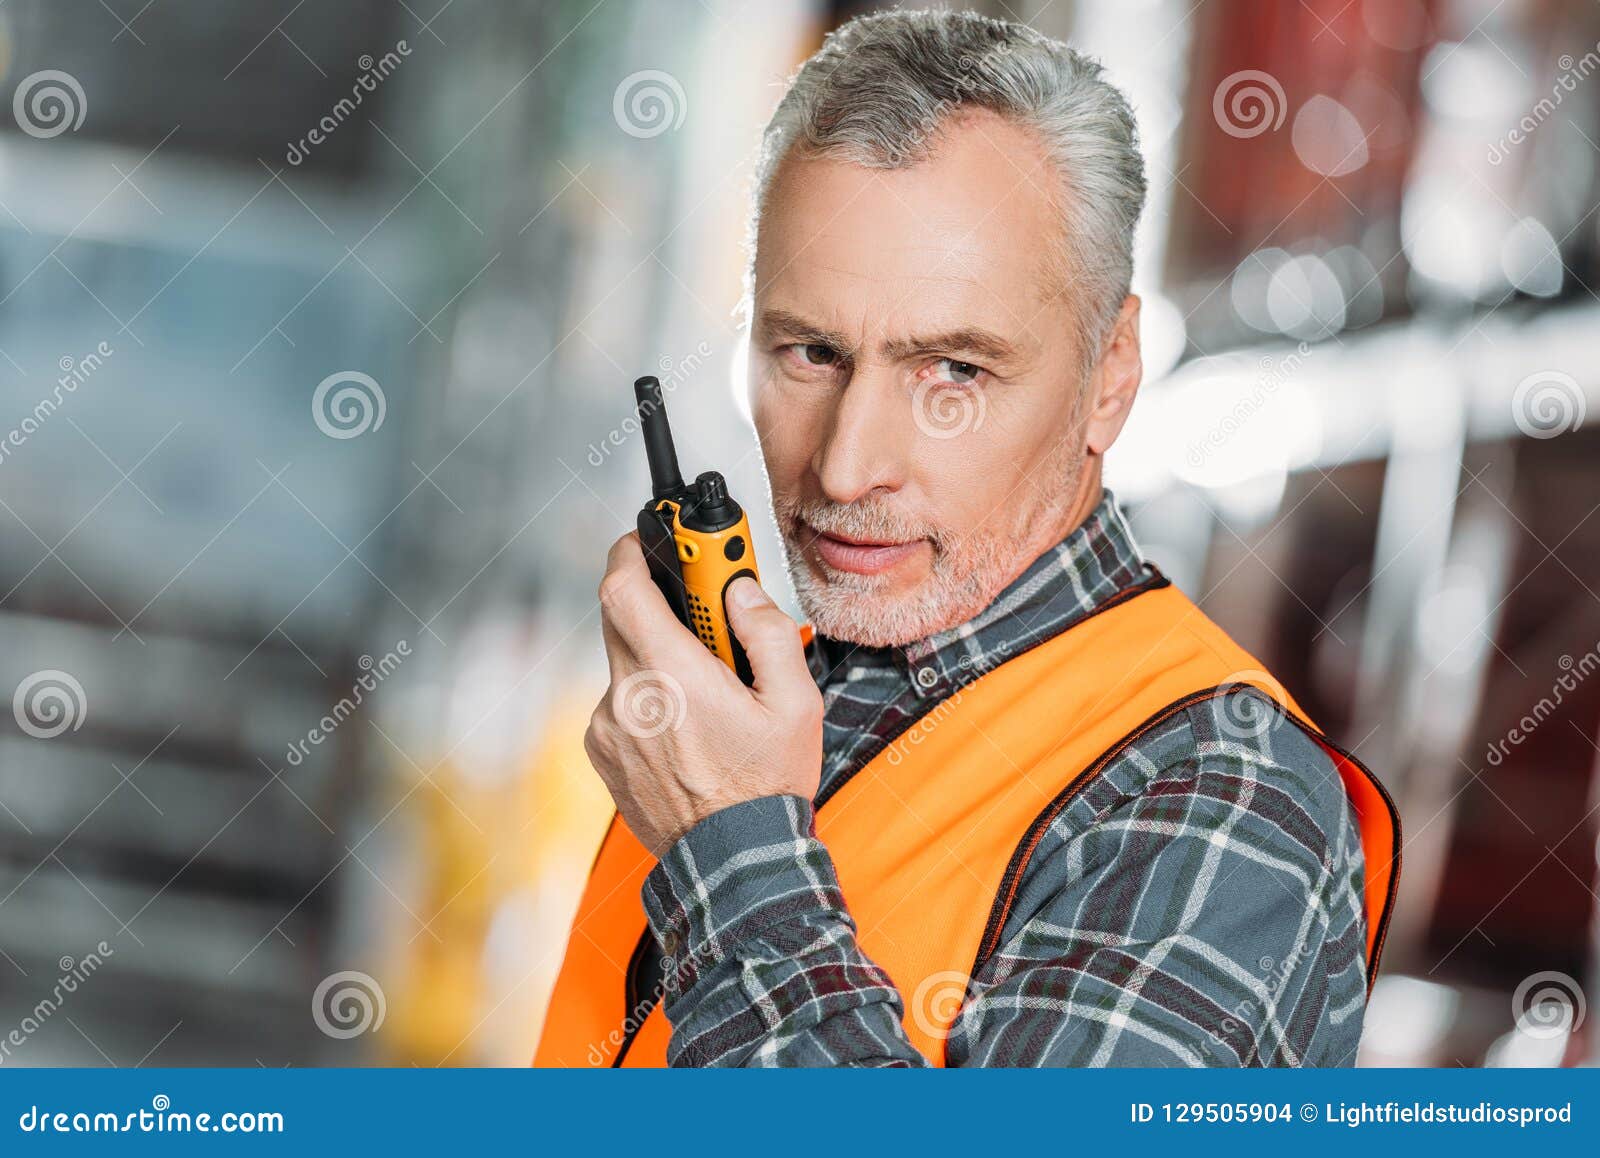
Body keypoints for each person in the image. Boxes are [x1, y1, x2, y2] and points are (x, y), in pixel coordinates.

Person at [536, 7, 1398, 1068]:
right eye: (810, 351)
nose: (846, 468)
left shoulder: (1215, 801)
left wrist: (733, 849)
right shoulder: (748, 715)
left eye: (955, 371)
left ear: (1109, 377)